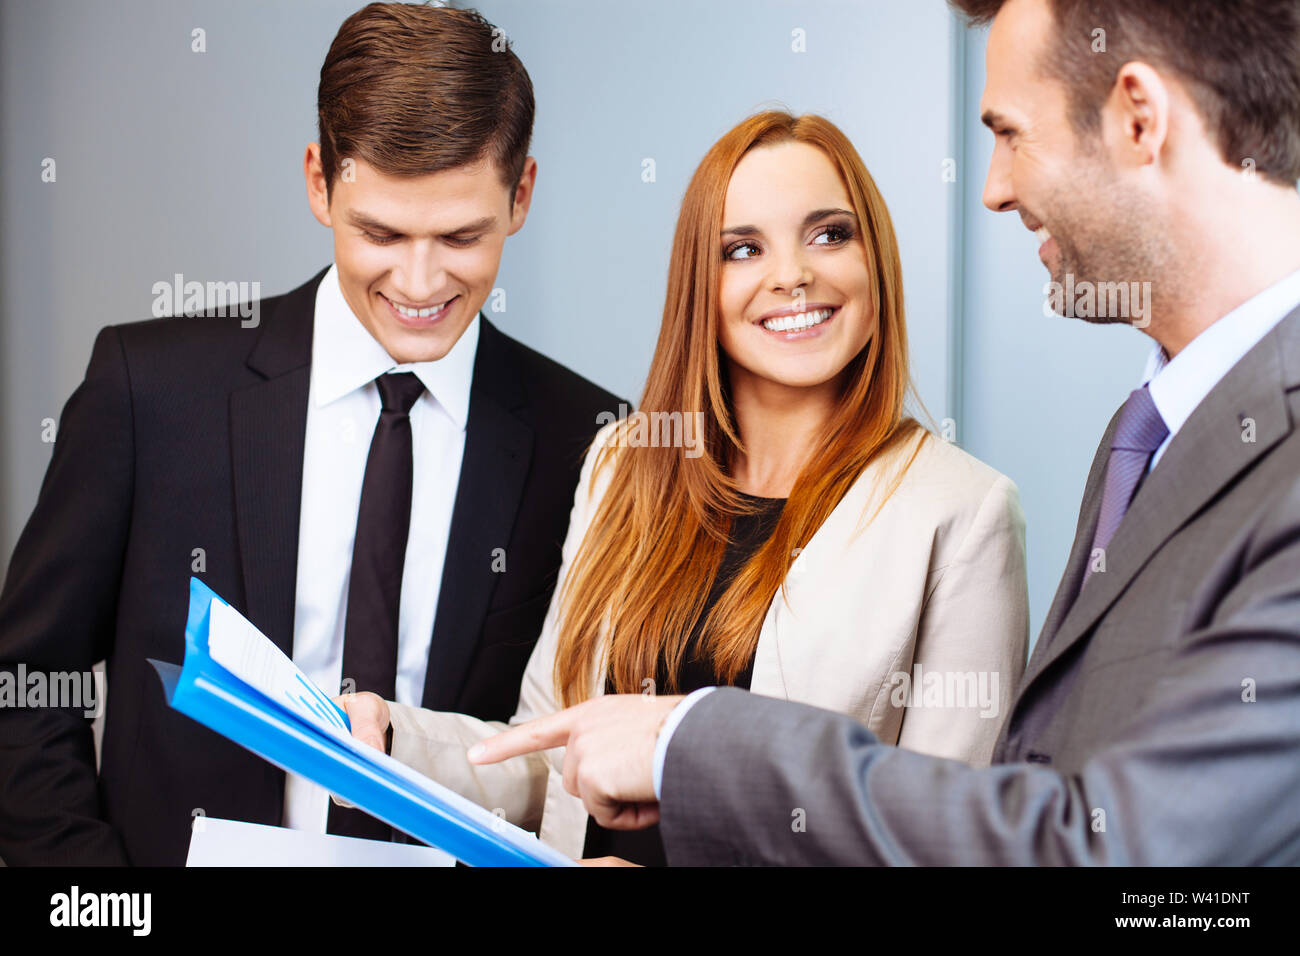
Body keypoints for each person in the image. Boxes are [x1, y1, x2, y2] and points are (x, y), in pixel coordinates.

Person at [471, 0, 1300, 866]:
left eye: (1011, 133)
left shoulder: (975, 505)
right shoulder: (1151, 433)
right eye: (741, 249)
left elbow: (1111, 854)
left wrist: (689, 742)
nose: (994, 188)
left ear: (1139, 117)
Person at [0, 3, 621, 865]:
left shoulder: (589, 440)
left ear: (521, 195)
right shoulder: (148, 389)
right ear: (318, 182)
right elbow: (24, 687)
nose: (419, 281)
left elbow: (564, 747)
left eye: (460, 236)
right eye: (381, 233)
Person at [340, 110, 1030, 865]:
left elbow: (943, 846)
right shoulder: (625, 465)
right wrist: (393, 741)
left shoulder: (962, 512)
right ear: (701, 280)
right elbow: (546, 756)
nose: (793, 274)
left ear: (877, 259)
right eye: (743, 249)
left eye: (831, 234)